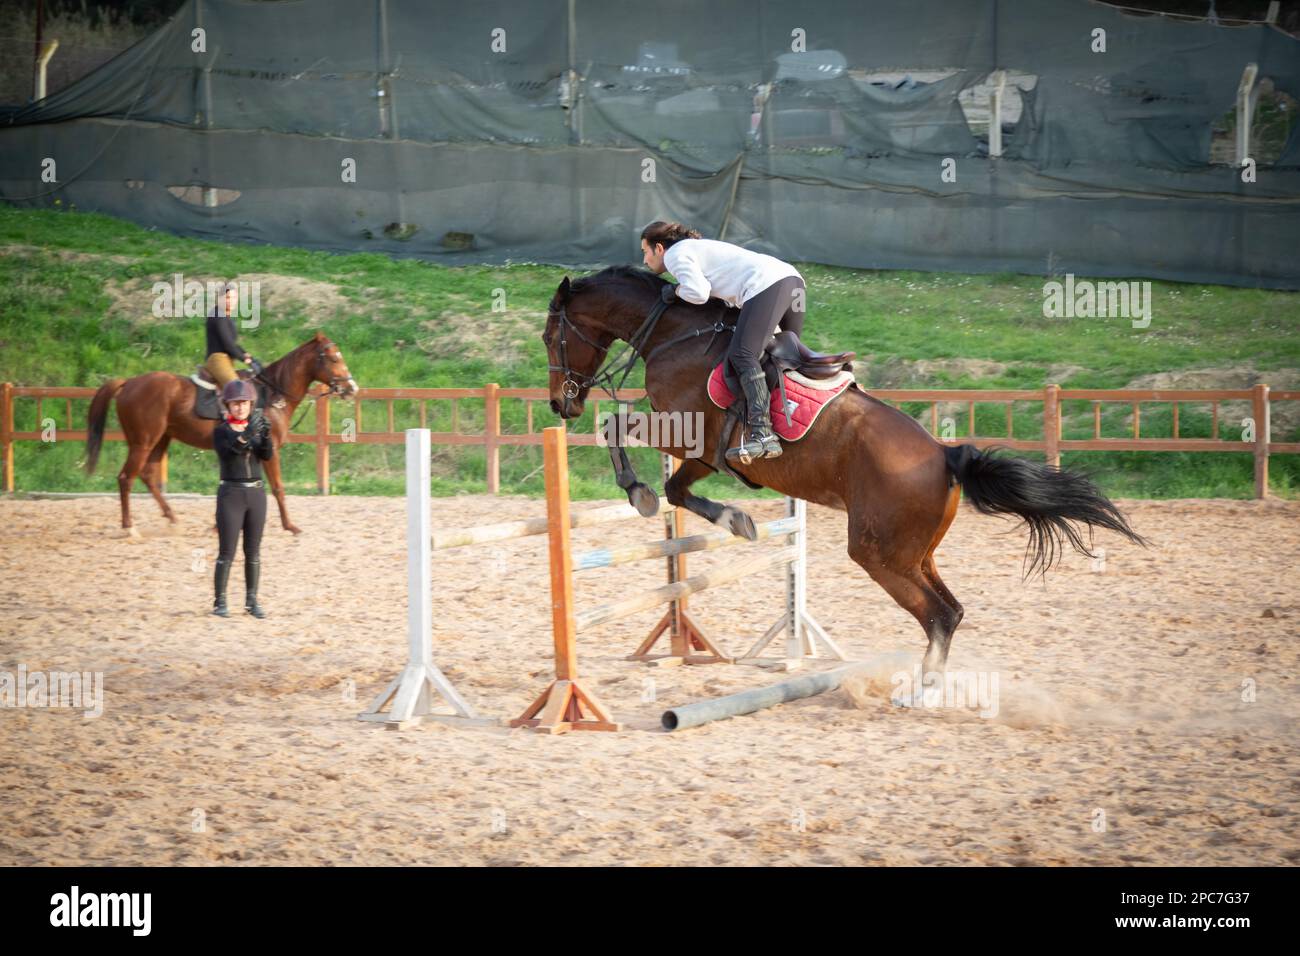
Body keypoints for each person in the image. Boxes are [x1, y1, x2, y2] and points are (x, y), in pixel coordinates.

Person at [640, 220, 806, 463]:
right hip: (793, 282)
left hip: (769, 284)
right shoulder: (698, 249)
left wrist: (675, 291)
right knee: (785, 357)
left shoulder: (676, 254)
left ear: (660, 248)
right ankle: (797, 421)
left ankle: (762, 432)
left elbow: (698, 292)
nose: (645, 260)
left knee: (743, 354)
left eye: (645, 252)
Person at [210, 379, 273, 618]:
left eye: (244, 403)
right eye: (235, 403)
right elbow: (229, 453)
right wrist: (246, 435)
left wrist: (265, 436)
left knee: (253, 551)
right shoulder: (221, 432)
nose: (240, 407)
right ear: (228, 405)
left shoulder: (254, 427)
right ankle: (220, 601)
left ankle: (252, 600)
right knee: (227, 550)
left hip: (256, 493)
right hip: (231, 494)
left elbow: (266, 456)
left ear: (250, 404)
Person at [204, 281, 255, 388]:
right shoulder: (218, 315)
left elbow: (233, 343)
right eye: (227, 297)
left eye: (234, 297)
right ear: (219, 299)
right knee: (236, 389)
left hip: (226, 361)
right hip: (217, 360)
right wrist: (245, 359)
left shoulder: (226, 317)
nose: (231, 301)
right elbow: (228, 345)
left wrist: (246, 354)